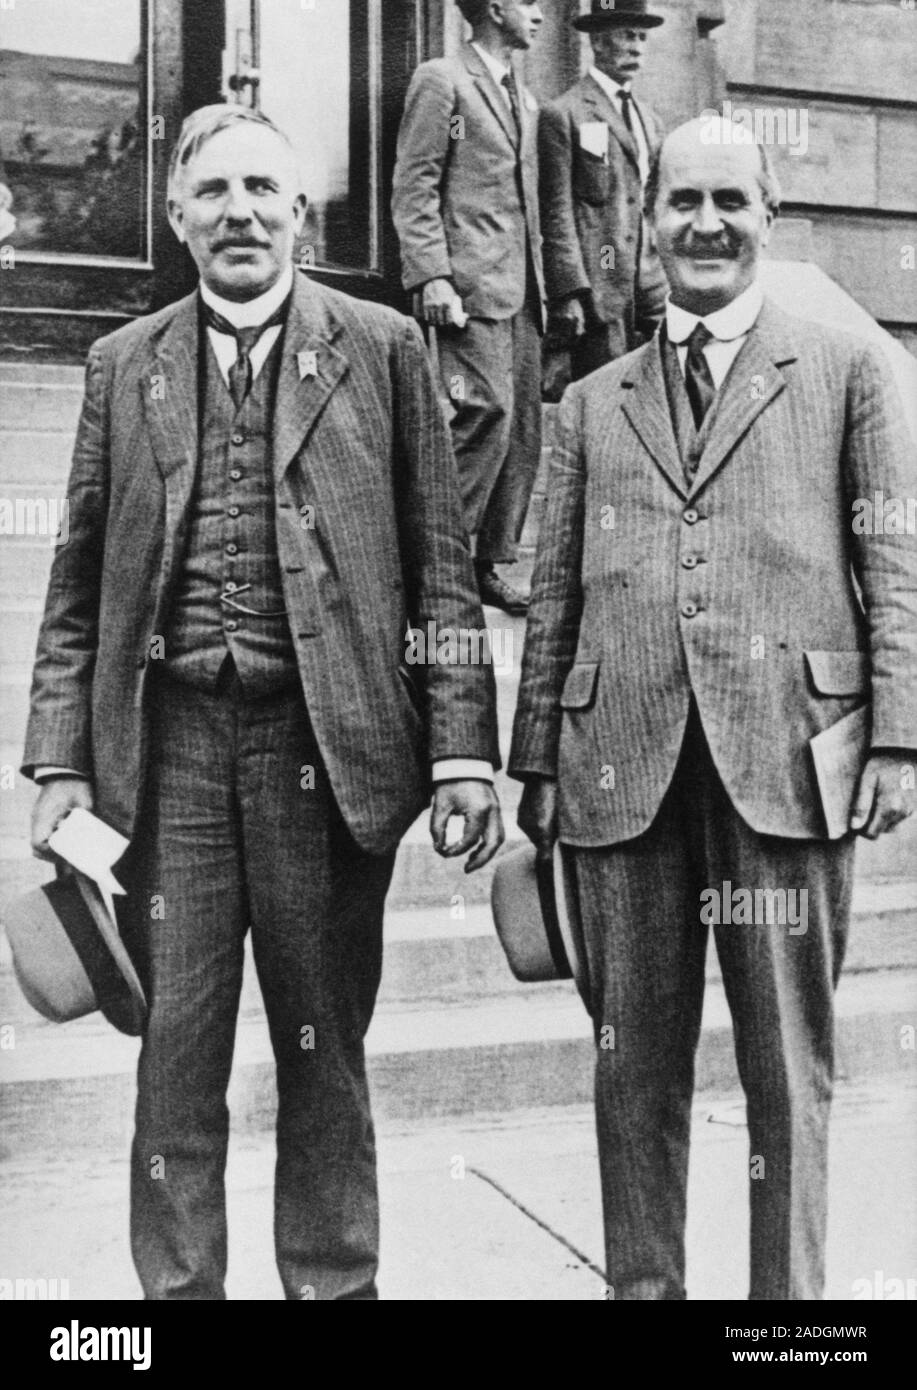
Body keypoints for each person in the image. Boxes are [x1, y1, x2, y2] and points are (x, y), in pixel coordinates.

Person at [23, 104, 504, 1302]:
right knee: (172, 1059)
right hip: (168, 754)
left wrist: (460, 751)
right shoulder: (120, 366)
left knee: (322, 1054)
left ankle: (332, 1287)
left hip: (321, 752)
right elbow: (76, 578)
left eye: (264, 192)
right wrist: (58, 763)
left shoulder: (385, 348)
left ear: (301, 213)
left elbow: (441, 563)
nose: (241, 212)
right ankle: (177, 1295)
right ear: (178, 216)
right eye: (216, 192)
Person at [510, 116, 917, 1300]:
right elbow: (553, 596)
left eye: (728, 203)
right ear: (645, 219)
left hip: (786, 758)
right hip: (615, 769)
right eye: (680, 201)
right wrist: (533, 756)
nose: (702, 225)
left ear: (766, 219)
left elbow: (889, 559)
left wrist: (897, 733)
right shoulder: (589, 405)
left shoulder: (844, 370)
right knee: (630, 1065)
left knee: (785, 1069)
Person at [392, 0, 547, 616]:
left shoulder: (521, 92)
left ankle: (486, 564)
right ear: (494, 8)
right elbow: (415, 182)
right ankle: (424, 559)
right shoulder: (442, 78)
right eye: (528, 3)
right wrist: (431, 275)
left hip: (523, 289)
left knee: (522, 433)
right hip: (470, 286)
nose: (537, 15)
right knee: (485, 413)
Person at [539, 0, 667, 393]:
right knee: (603, 398)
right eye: (627, 35)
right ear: (597, 41)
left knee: (657, 393)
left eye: (643, 37)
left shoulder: (651, 120)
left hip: (653, 287)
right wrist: (569, 294)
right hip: (600, 289)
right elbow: (556, 212)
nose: (637, 48)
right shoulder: (565, 113)